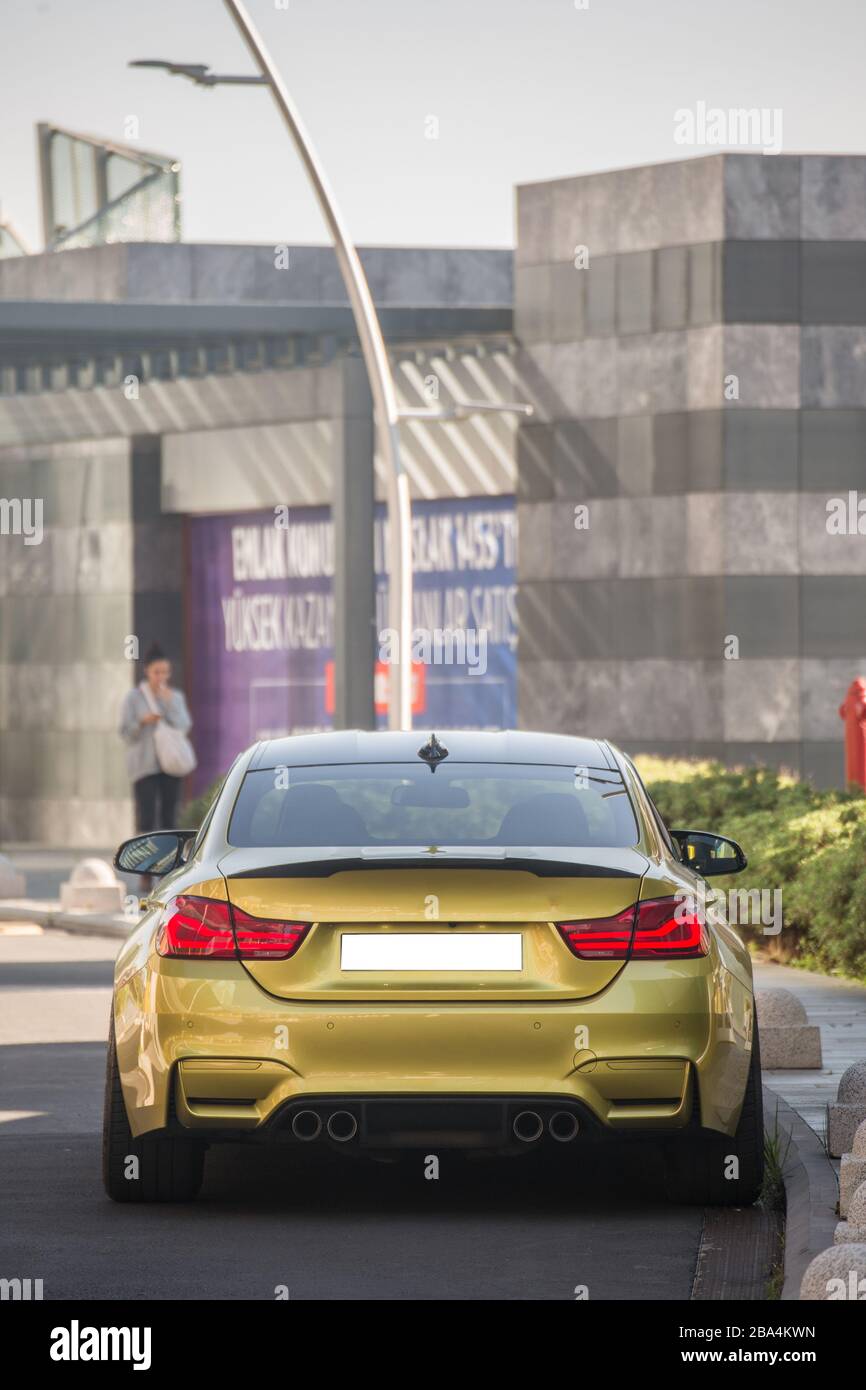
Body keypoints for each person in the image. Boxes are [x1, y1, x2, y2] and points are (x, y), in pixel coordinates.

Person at [119, 644, 193, 831]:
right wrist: (142, 722)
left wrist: (170, 704)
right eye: (157, 672)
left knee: (170, 815)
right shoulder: (133, 698)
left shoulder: (174, 697)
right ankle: (146, 857)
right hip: (144, 764)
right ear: (147, 671)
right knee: (147, 817)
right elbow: (125, 733)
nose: (161, 677)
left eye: (165, 672)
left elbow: (184, 726)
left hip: (170, 762)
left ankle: (170, 857)